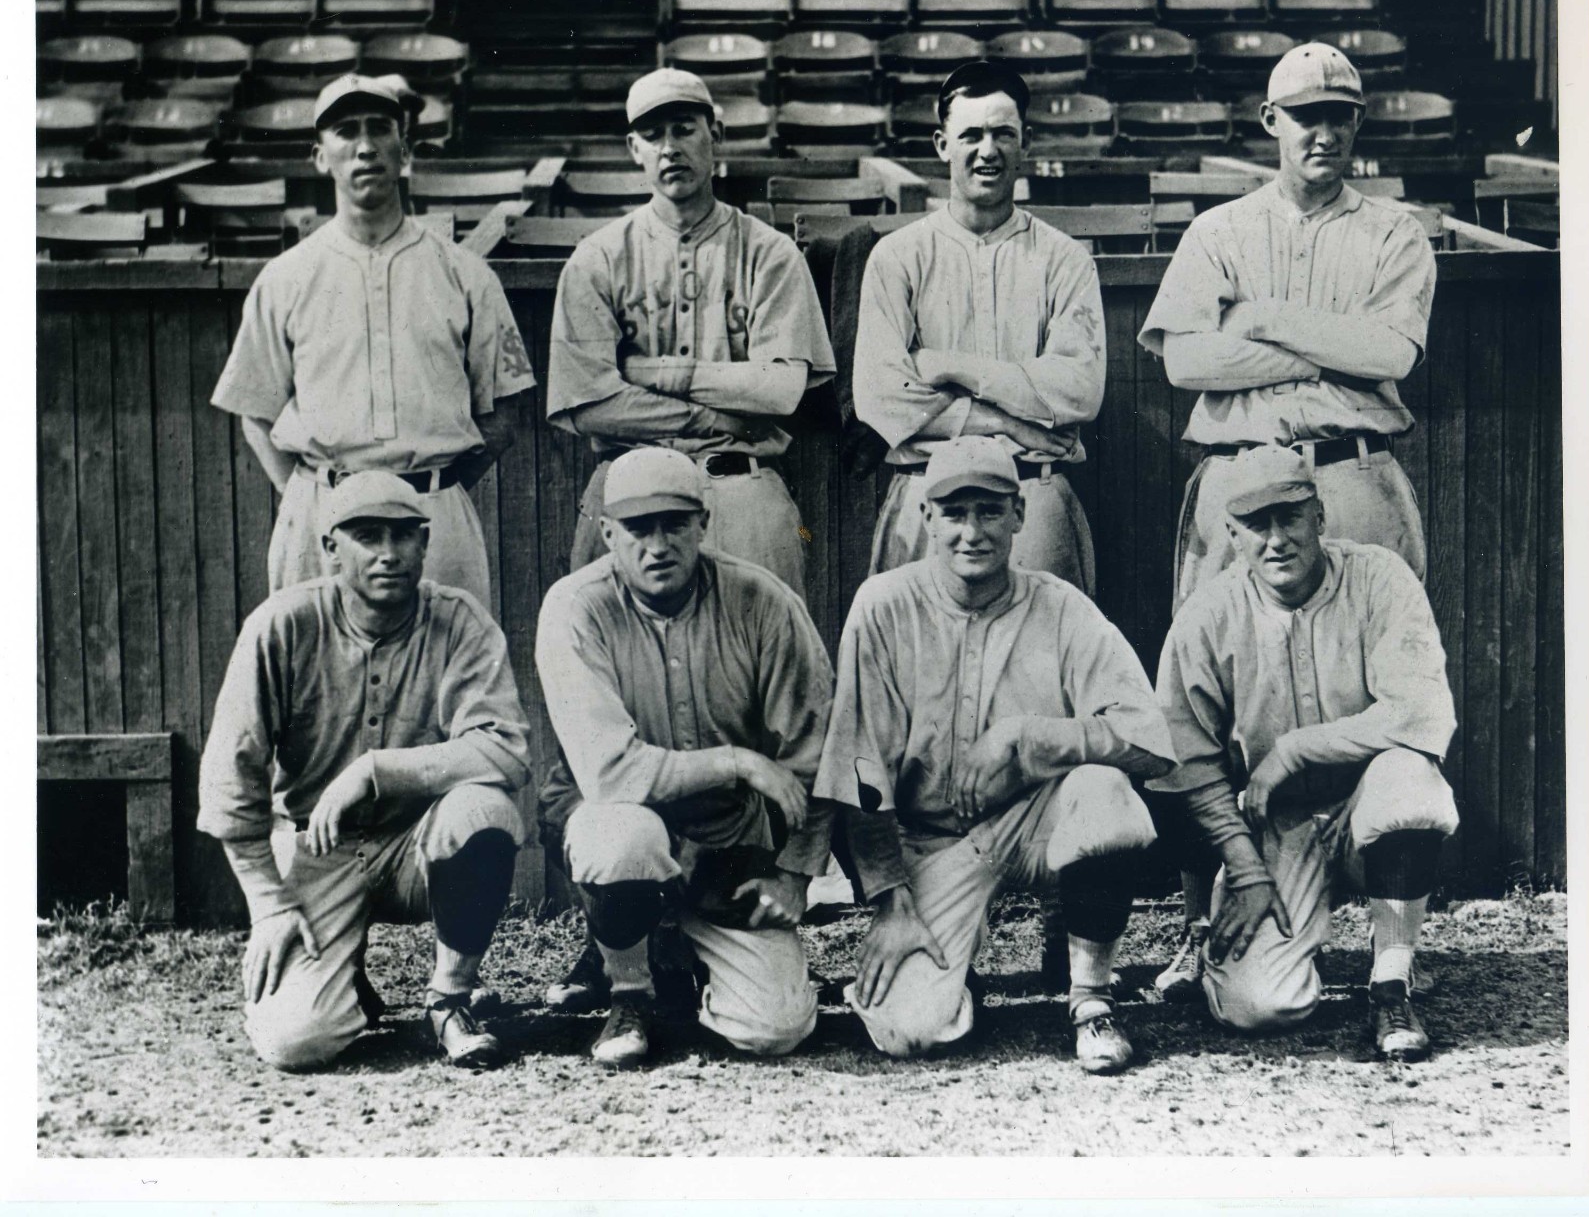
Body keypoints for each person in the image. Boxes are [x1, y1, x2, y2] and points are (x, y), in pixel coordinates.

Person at [1135, 42, 1437, 998]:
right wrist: (1322, 347)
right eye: (1304, 113)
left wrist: (1260, 317)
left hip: (1355, 478)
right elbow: (1185, 361)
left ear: (1358, 123)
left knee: (1380, 704)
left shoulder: (1394, 232)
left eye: (1339, 113)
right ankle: (1203, 924)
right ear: (1271, 123)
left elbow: (1391, 349)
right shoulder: (1220, 229)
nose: (1323, 129)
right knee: (1208, 701)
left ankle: (1394, 947)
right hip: (1234, 491)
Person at [813, 437, 1175, 1072]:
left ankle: (1091, 999)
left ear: (1019, 516)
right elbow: (857, 768)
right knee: (910, 1031)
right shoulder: (884, 604)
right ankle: (957, 976)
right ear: (926, 518)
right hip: (925, 844)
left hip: (1025, 823)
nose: (972, 532)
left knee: (1105, 793)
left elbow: (1151, 740)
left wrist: (1026, 734)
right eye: (954, 513)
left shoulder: (1061, 606)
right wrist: (893, 908)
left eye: (989, 511)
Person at [197, 471, 533, 1071]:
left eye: (404, 536)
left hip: (415, 845)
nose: (388, 553)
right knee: (296, 1042)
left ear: (425, 545)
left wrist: (375, 770)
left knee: (486, 812)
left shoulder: (458, 621)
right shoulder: (282, 625)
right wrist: (269, 905)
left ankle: (449, 1001)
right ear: (330, 549)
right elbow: (230, 783)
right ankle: (341, 979)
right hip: (315, 846)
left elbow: (505, 750)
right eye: (366, 535)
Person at [533, 447, 837, 1068]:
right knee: (617, 834)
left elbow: (819, 746)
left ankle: (681, 955)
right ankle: (630, 989)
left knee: (774, 1030)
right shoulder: (574, 607)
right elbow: (611, 774)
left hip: (728, 849)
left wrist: (795, 874)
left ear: (704, 522)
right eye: (639, 527)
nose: (658, 544)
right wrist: (739, 762)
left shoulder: (764, 601)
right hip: (624, 827)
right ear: (607, 532)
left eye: (675, 523)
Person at [1152, 446, 1458, 1059]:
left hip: (1364, 802)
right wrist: (1241, 866)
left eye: (1289, 517)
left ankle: (1391, 982)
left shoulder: (1379, 576)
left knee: (1410, 782)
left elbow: (1421, 712)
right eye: (1255, 524)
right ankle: (1231, 941)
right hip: (1274, 826)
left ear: (1320, 515)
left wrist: (1295, 748)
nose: (1276, 540)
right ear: (1232, 536)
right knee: (1259, 1007)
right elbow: (1185, 763)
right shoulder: (1206, 616)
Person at [211, 73, 535, 607]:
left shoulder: (465, 273)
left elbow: (503, 414)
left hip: (433, 512)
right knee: (314, 682)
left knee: (449, 682)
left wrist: (440, 486)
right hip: (324, 514)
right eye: (345, 131)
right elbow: (255, 413)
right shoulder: (287, 276)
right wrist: (311, 494)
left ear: (403, 148)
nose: (365, 147)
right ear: (321, 156)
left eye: (380, 129)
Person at [546, 66, 836, 595]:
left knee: (767, 662)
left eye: (683, 128)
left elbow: (781, 390)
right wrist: (718, 414)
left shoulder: (771, 253)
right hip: (626, 488)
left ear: (715, 135)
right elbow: (588, 406)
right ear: (634, 149)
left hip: (739, 488)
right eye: (653, 135)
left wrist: (658, 373)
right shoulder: (597, 259)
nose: (669, 147)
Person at [853, 60, 1106, 593]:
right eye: (971, 134)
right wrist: (1010, 422)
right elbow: (879, 397)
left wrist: (947, 366)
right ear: (943, 144)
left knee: (1042, 673)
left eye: (1002, 134)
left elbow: (1079, 392)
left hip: (1032, 503)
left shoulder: (1065, 259)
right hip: (925, 499)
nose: (987, 150)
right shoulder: (897, 256)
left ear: (1026, 142)